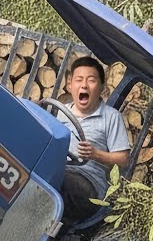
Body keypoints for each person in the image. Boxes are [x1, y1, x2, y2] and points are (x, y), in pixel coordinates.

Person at [53, 57, 130, 223]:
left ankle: (54, 230)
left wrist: (95, 154)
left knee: (55, 181)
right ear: (70, 85)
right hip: (57, 169)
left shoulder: (111, 117)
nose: (84, 85)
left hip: (88, 182)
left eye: (91, 80)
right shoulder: (60, 112)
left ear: (101, 87)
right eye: (79, 80)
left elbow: (123, 159)